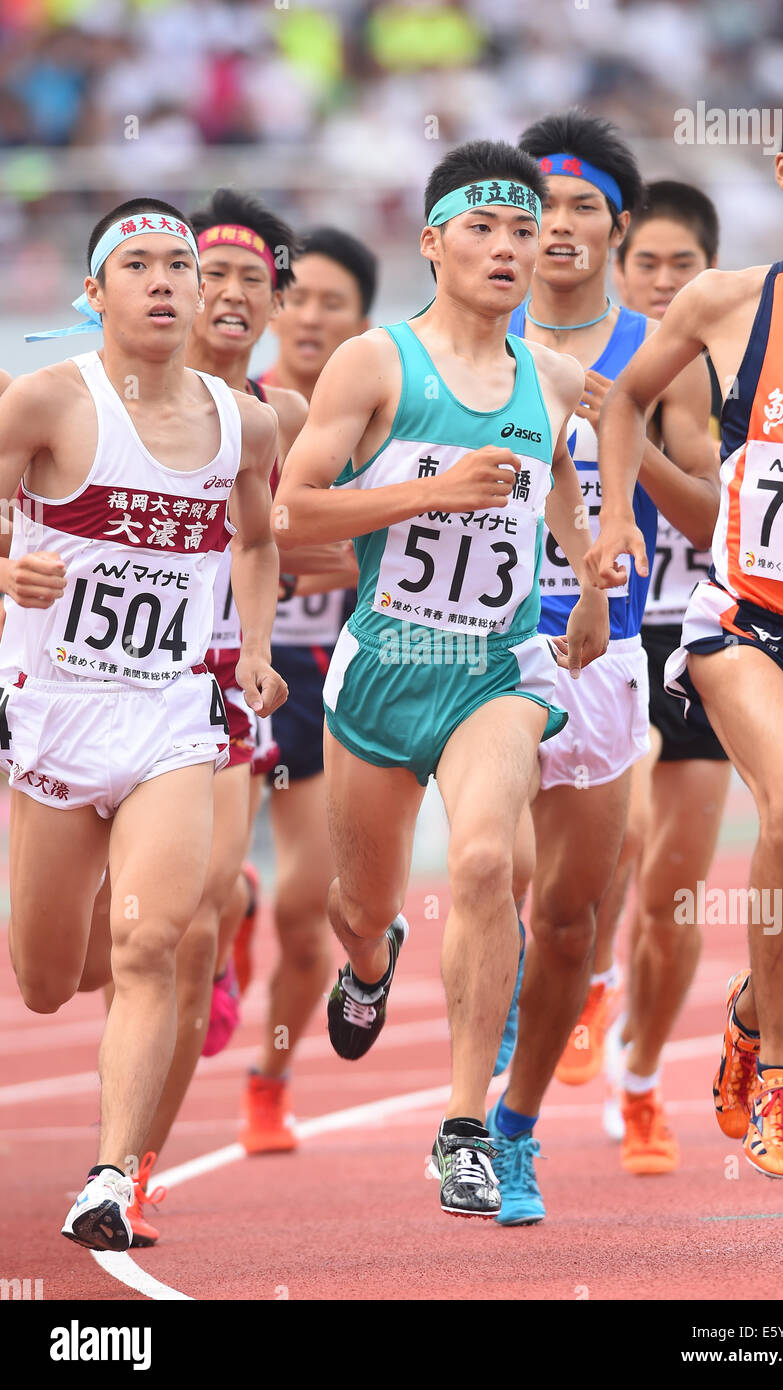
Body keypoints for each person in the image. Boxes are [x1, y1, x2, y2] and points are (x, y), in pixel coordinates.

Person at [274, 138, 610, 1218]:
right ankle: (370, 967)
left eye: (524, 229)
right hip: (382, 671)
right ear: (432, 243)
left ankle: (463, 1125)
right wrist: (430, 494)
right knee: (359, 905)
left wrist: (591, 569)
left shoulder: (550, 378)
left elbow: (559, 480)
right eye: (484, 227)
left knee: (479, 864)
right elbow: (286, 512)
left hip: (492, 670)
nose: (511, 246)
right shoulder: (374, 363)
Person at [588, 75, 783, 1183]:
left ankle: (753, 1013)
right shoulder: (722, 304)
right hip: (745, 625)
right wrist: (613, 515)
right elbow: (619, 397)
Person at [0, 197, 286, 1250]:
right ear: (94, 292)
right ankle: (165, 912)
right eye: (139, 265)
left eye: (181, 265)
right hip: (54, 718)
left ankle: (109, 1177)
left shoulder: (241, 421)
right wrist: (6, 569)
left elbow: (256, 541)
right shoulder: (44, 403)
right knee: (44, 981)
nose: (167, 282)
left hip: (171, 714)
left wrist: (249, 648)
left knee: (152, 942)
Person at [484, 112, 720, 1224]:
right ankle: (452, 976)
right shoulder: (454, 342)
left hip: (636, 636)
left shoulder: (660, 355)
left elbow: (712, 505)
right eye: (542, 205)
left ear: (613, 230)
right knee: (492, 871)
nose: (560, 224)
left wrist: (623, 447)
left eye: (584, 206)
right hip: (475, 642)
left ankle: (576, 1098)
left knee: (625, 888)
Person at [587, 180, 732, 1173]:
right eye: (647, 264)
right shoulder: (568, 364)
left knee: (676, 900)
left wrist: (627, 433)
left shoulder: (718, 374)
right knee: (618, 838)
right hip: (615, 635)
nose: (664, 282)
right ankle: (583, 977)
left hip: (709, 638)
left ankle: (639, 1079)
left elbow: (706, 520)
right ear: (616, 262)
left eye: (684, 267)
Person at [239, 228, 373, 1156]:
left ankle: (270, 1080)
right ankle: (222, 913)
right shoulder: (238, 408)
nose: (314, 315)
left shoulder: (387, 413)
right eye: (301, 297)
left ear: (363, 317)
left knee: (306, 911)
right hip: (228, 675)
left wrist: (348, 560)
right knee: (193, 899)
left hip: (324, 684)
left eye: (337, 301)